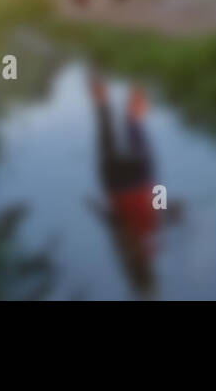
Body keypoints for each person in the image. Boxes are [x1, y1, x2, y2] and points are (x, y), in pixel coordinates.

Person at [86, 70, 158, 294]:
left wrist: (159, 193)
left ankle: (133, 103)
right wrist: (96, 209)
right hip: (117, 183)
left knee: (135, 133)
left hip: (139, 180)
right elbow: (114, 220)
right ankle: (102, 98)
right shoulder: (126, 249)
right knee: (106, 136)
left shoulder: (151, 246)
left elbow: (156, 211)